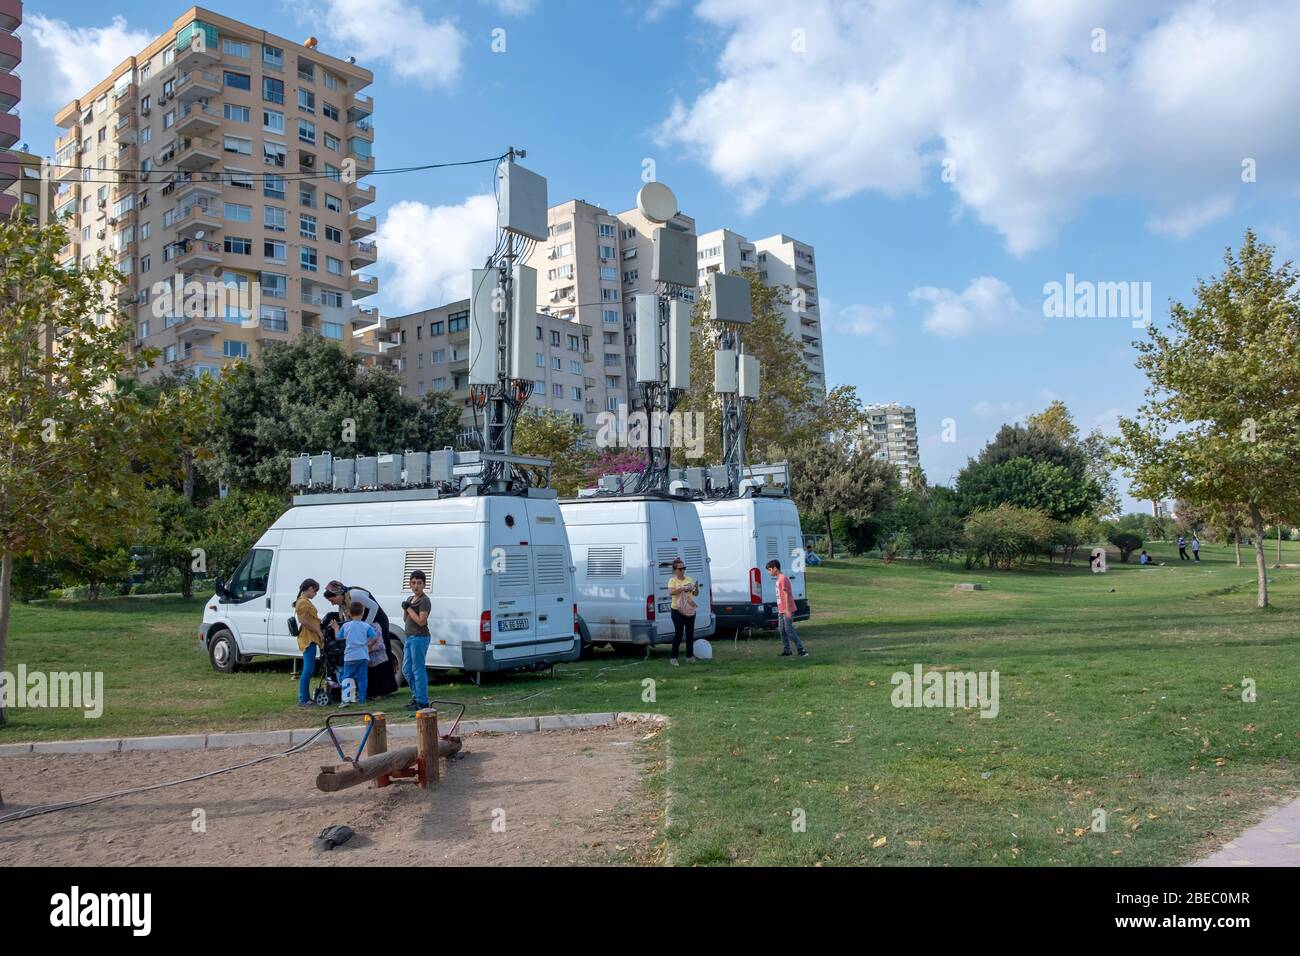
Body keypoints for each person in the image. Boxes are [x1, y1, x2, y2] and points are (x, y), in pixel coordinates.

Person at [323, 580, 396, 698]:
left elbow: (374, 607)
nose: (332, 604)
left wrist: (364, 627)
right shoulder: (344, 602)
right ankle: (371, 691)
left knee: (379, 656)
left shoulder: (354, 595)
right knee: (367, 656)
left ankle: (384, 690)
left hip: (377, 621)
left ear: (338, 594)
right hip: (364, 624)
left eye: (332, 600)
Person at [338, 601, 382, 705]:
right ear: (362, 613)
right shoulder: (366, 626)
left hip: (350, 656)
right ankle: (362, 699)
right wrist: (369, 645)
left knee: (347, 676)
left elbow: (338, 636)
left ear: (349, 613)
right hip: (363, 655)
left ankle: (346, 700)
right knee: (362, 677)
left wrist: (336, 628)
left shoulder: (346, 625)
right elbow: (375, 637)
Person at [401, 570, 432, 712]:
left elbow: (421, 621)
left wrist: (409, 609)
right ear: (409, 584)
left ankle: (422, 701)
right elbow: (405, 619)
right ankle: (416, 697)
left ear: (424, 584)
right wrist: (406, 609)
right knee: (406, 670)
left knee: (418, 669)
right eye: (413, 583)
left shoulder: (424, 600)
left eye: (419, 583)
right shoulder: (409, 599)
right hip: (409, 637)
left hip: (420, 637)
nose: (416, 586)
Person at [766, 559, 807, 658]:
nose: (768, 572)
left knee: (789, 630)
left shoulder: (783, 579)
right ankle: (787, 650)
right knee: (781, 630)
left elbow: (786, 594)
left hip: (787, 609)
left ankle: (801, 650)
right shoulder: (778, 579)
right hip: (781, 609)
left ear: (775, 568)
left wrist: (788, 610)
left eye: (769, 570)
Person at [294, 578, 326, 707]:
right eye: (315, 591)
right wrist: (318, 631)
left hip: (310, 638)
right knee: (308, 670)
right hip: (309, 639)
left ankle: (305, 697)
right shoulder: (303, 602)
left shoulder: (304, 601)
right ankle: (303, 699)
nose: (315, 594)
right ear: (311, 588)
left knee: (309, 669)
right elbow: (303, 620)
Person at [666, 558, 699, 666]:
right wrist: (682, 588)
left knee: (690, 634)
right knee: (679, 634)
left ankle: (690, 656)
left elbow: (695, 594)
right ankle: (673, 658)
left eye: (684, 568)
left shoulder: (689, 578)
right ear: (675, 570)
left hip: (689, 609)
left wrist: (695, 588)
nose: (683, 570)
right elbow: (671, 592)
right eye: (680, 569)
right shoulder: (672, 580)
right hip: (677, 610)